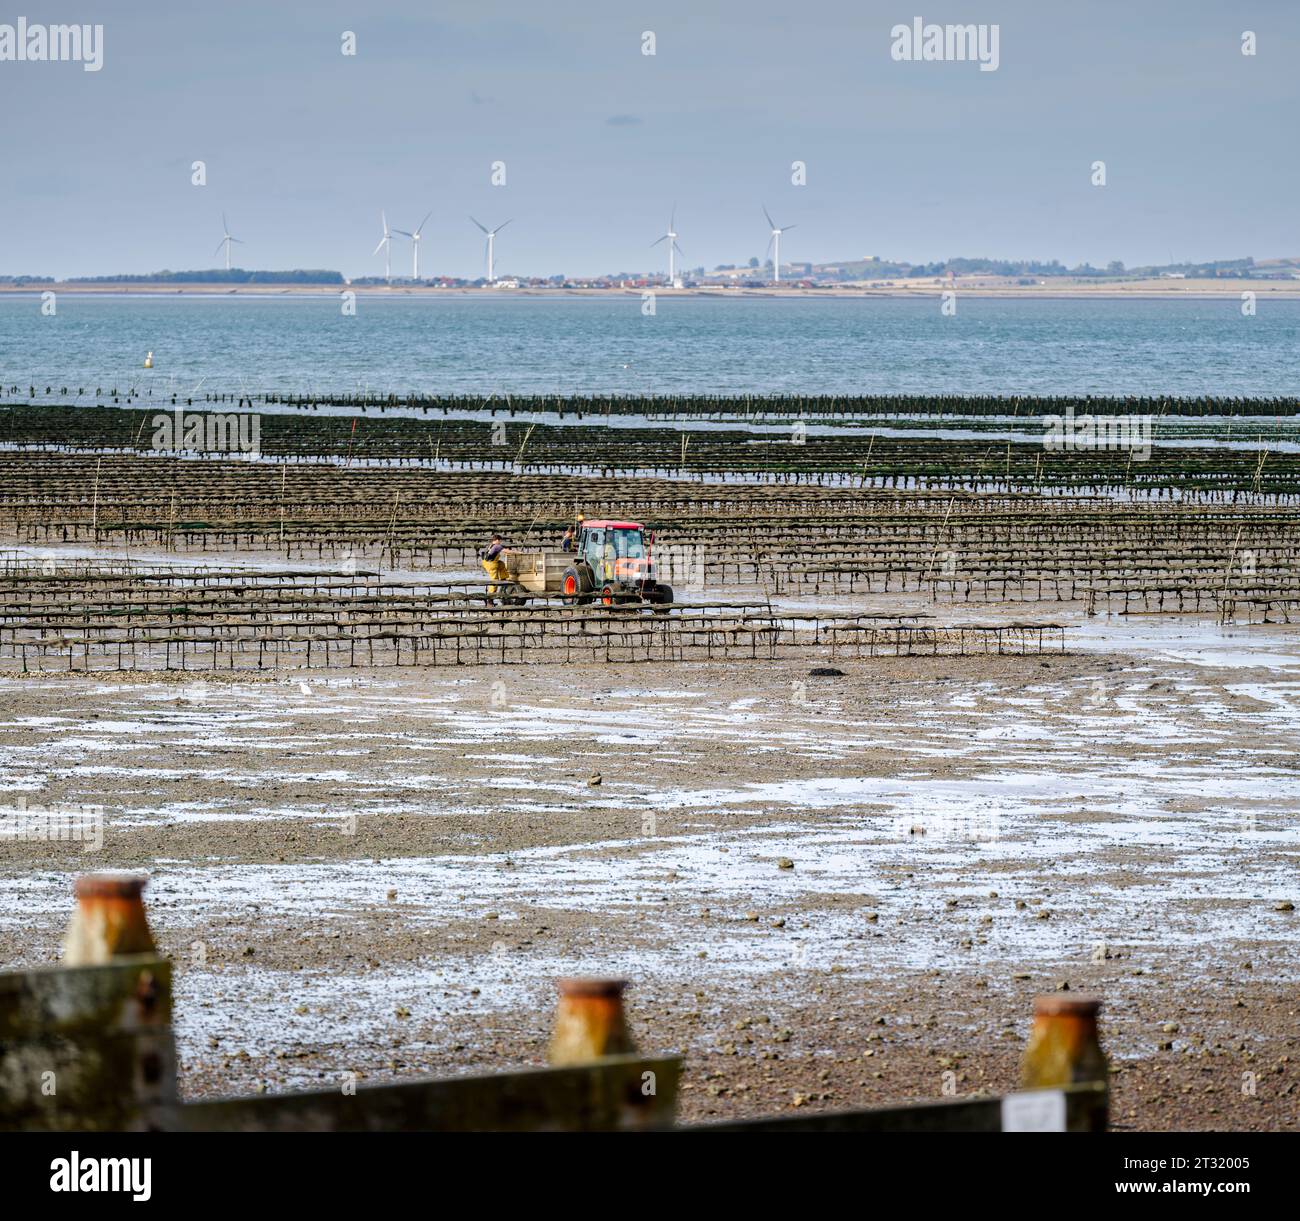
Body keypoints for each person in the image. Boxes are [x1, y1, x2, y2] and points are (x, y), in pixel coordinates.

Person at [480, 534, 510, 602]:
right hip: (491, 564)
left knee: (501, 564)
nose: (500, 542)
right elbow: (506, 551)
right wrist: (517, 552)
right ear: (497, 540)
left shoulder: (490, 545)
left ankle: (503, 578)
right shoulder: (496, 546)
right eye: (499, 541)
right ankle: (490, 598)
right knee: (495, 581)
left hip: (487, 562)